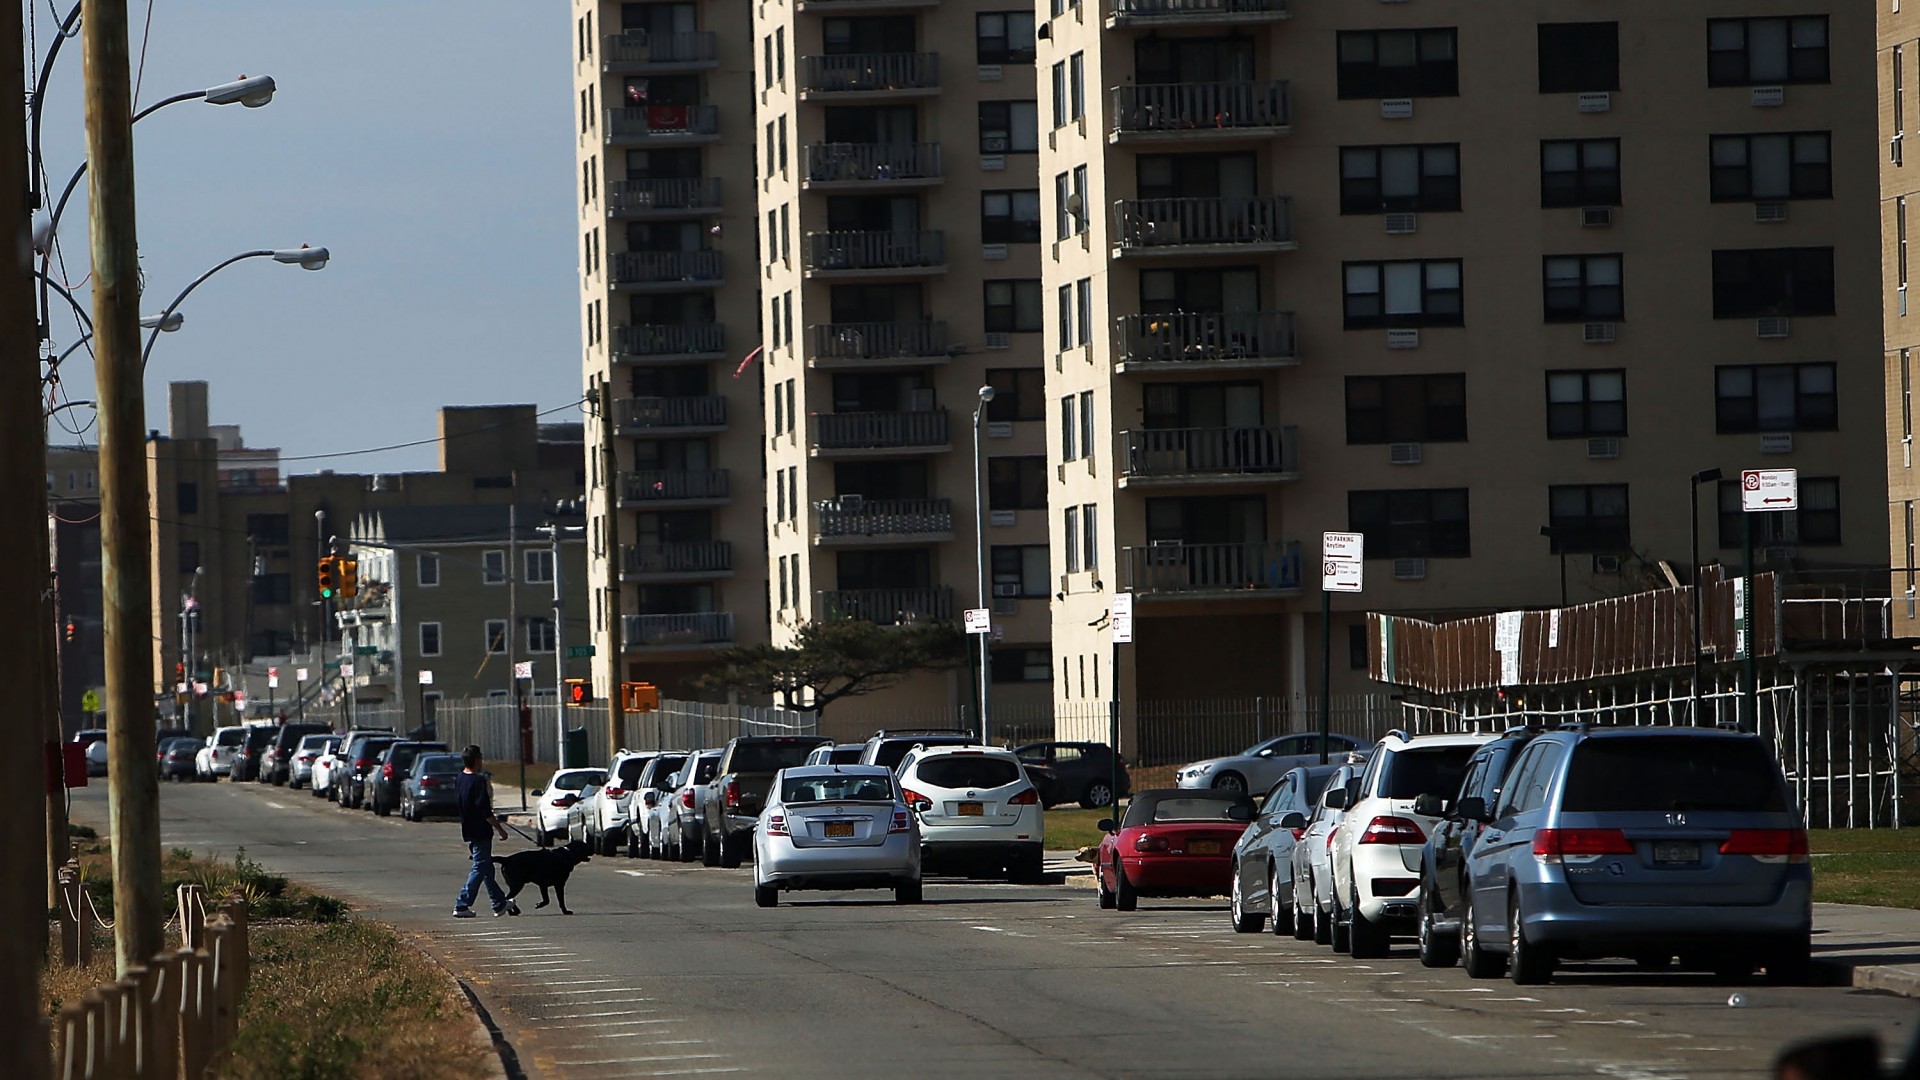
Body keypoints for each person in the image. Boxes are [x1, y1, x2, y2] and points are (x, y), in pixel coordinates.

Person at [455, 745, 518, 918]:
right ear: (476, 760)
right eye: (481, 758)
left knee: (486, 869)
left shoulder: (460, 778)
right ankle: (462, 904)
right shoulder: (478, 781)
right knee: (479, 867)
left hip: (468, 829)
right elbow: (485, 811)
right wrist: (500, 829)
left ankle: (499, 904)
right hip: (480, 831)